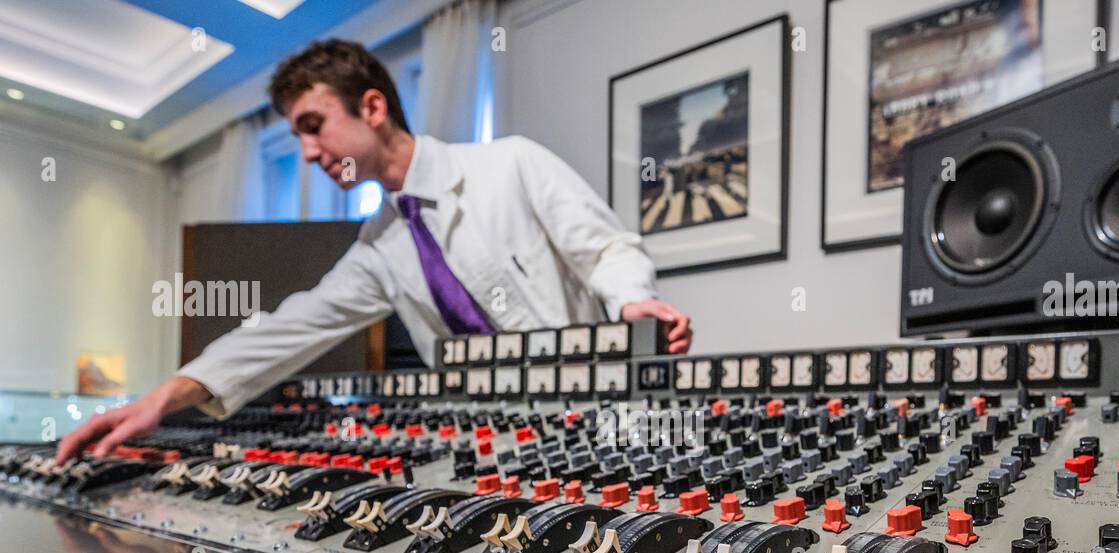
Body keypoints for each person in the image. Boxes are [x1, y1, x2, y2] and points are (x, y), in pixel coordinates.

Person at [57, 39, 691, 464]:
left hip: (603, 430)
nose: (307, 152)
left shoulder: (511, 163)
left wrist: (634, 303)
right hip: (498, 447)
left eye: (313, 125)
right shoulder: (379, 244)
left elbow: (606, 248)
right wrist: (157, 399)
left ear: (373, 107)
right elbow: (285, 330)